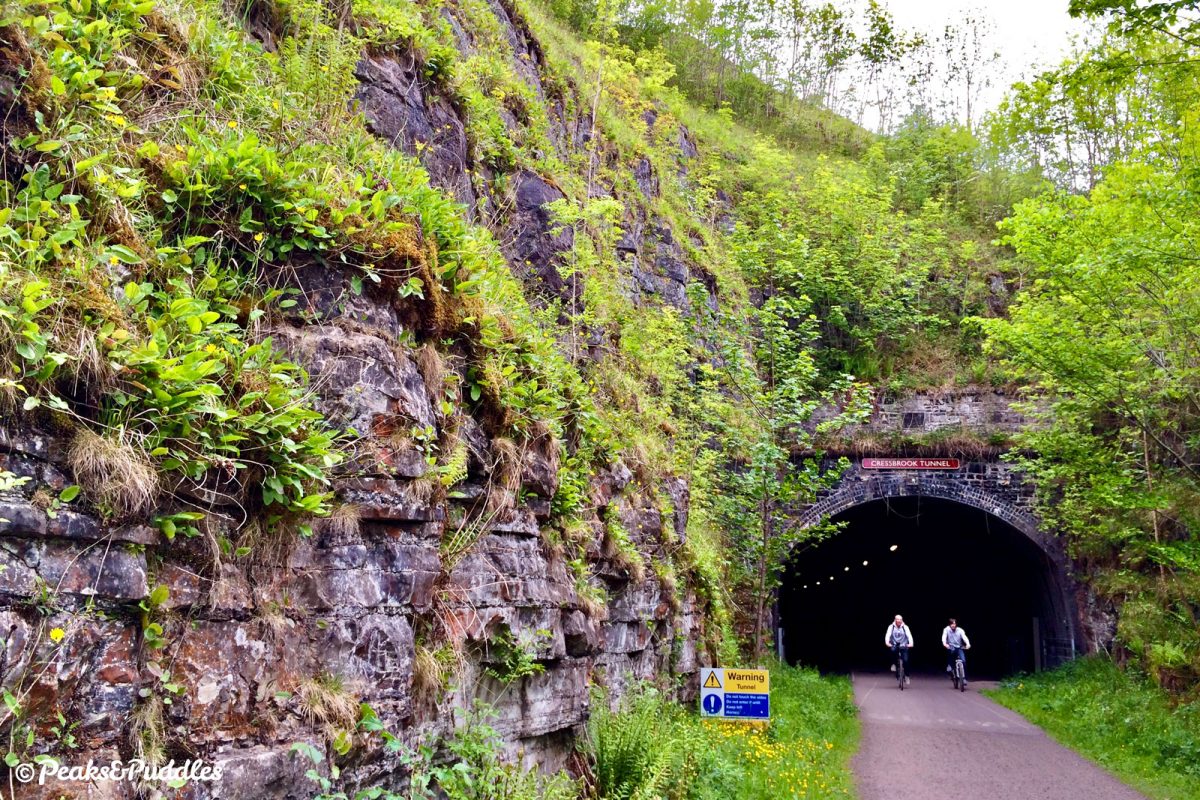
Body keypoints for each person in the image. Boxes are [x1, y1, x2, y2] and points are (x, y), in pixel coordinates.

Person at [884, 614, 914, 684]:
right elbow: (888, 635)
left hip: (904, 644)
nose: (899, 621)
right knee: (892, 650)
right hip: (894, 644)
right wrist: (887, 642)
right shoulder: (891, 627)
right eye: (898, 619)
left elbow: (909, 635)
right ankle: (894, 664)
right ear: (895, 620)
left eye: (900, 619)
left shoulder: (905, 627)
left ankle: (906, 676)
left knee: (906, 661)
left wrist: (911, 643)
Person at [941, 618, 971, 685]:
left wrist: (968, 644)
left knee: (963, 661)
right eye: (952, 624)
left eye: (954, 623)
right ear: (949, 624)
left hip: (959, 647)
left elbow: (964, 637)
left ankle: (964, 679)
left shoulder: (960, 630)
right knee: (950, 662)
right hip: (951, 646)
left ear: (956, 624)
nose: (953, 625)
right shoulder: (946, 630)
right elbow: (944, 637)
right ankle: (950, 667)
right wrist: (945, 644)